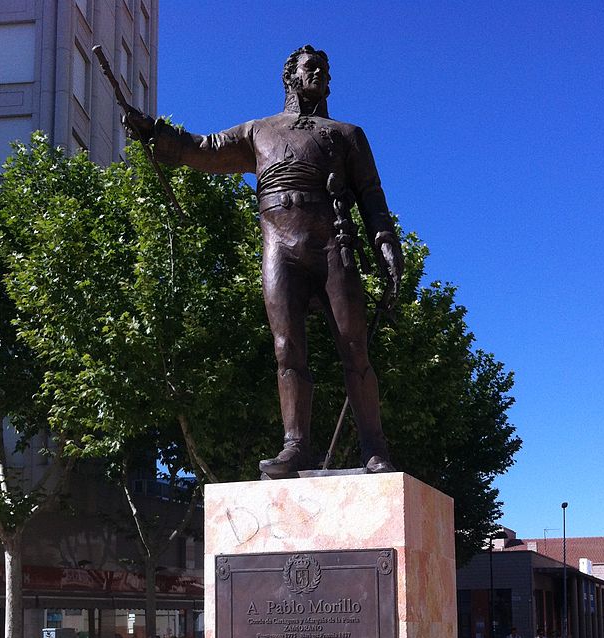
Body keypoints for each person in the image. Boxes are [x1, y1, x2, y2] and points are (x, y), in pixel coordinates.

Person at [123, 45, 403, 478]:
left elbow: (371, 195)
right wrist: (154, 132)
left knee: (354, 348)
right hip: (280, 248)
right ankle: (295, 447)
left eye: (325, 71)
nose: (321, 76)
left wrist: (385, 241)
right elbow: (204, 147)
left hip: (334, 244)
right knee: (286, 349)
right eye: (312, 68)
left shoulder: (348, 134)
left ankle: (374, 448)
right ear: (290, 76)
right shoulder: (259, 131)